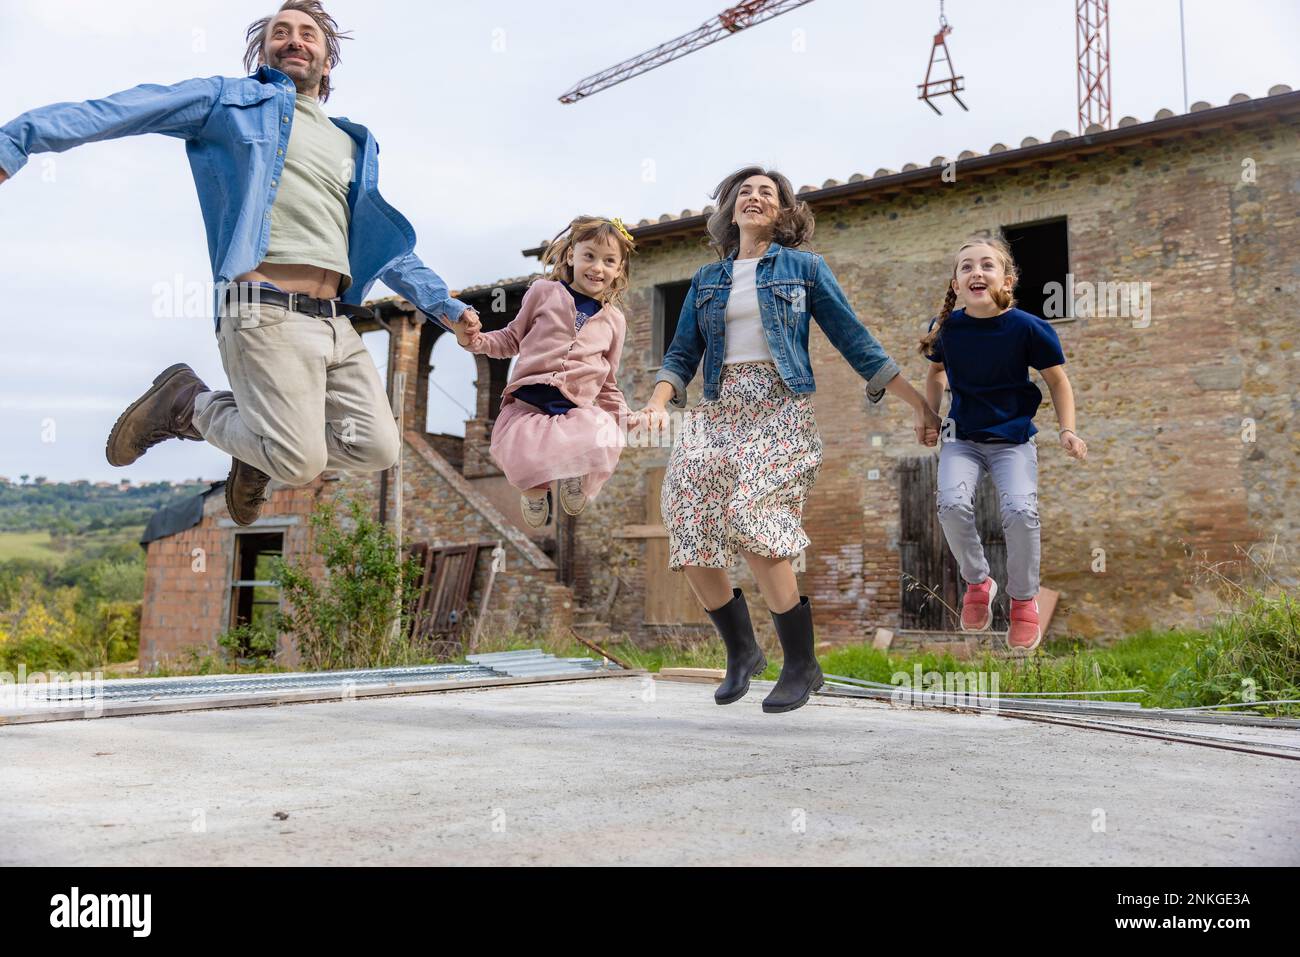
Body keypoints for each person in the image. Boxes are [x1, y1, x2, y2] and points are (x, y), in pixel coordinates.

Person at [0, 1, 476, 524]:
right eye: (280, 32)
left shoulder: (353, 142)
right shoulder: (229, 101)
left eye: (307, 33)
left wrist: (442, 305)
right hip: (263, 310)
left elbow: (384, 247)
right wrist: (14, 143)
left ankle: (253, 444)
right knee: (299, 461)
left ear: (327, 57)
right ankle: (187, 403)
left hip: (336, 323)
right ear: (264, 48)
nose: (294, 39)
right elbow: (123, 109)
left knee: (377, 449)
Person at [640, 166, 941, 714]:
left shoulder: (804, 268)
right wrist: (658, 402)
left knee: (754, 516)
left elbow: (856, 341)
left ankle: (801, 662)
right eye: (745, 193)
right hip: (717, 409)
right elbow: (682, 354)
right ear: (731, 208)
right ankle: (742, 651)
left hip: (779, 405)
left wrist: (918, 403)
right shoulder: (706, 279)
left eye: (768, 194)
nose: (755, 199)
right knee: (685, 516)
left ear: (783, 212)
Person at [921, 236, 1088, 653]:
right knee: (951, 504)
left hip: (1013, 440)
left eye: (987, 265)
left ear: (1007, 280)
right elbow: (936, 374)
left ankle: (1023, 598)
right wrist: (928, 414)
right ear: (956, 284)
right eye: (966, 267)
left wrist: (1067, 429)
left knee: (1020, 510)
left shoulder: (1029, 328)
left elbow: (1057, 380)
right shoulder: (946, 329)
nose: (976, 272)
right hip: (963, 439)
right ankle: (978, 582)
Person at [448, 217, 636, 526]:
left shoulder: (615, 321)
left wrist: (625, 416)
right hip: (528, 405)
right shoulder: (543, 292)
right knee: (523, 453)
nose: (597, 267)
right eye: (589, 255)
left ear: (618, 270)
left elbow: (608, 382)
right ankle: (534, 493)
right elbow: (511, 338)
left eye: (609, 261)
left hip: (575, 409)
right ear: (571, 255)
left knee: (603, 434)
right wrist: (478, 341)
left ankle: (576, 478)